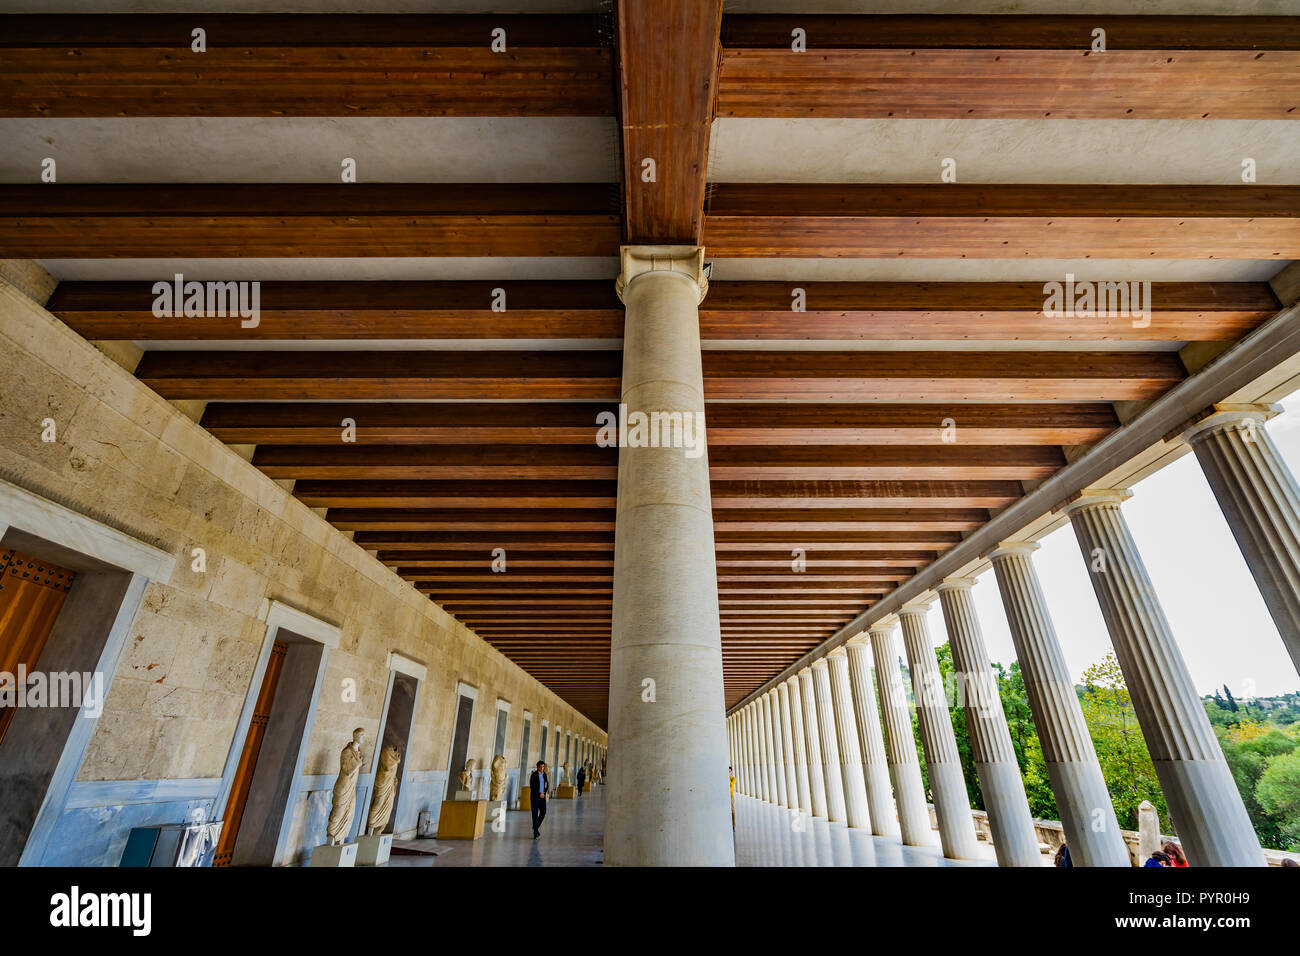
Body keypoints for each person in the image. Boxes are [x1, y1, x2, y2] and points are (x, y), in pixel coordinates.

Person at [529, 760, 549, 839]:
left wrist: (544, 792)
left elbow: (546, 784)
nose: (542, 768)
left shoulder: (544, 775)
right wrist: (539, 793)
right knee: (534, 814)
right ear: (537, 767)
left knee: (543, 812)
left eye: (543, 767)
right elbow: (532, 786)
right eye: (540, 767)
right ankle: (535, 833)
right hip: (535, 797)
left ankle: (535, 826)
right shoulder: (534, 775)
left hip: (542, 797)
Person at [729, 765, 737, 830]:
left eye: (730, 771)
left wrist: (728, 778)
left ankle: (734, 825)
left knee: (732, 810)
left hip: (731, 796)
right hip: (726, 796)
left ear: (731, 772)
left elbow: (731, 786)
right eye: (728, 771)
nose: (729, 773)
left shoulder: (733, 779)